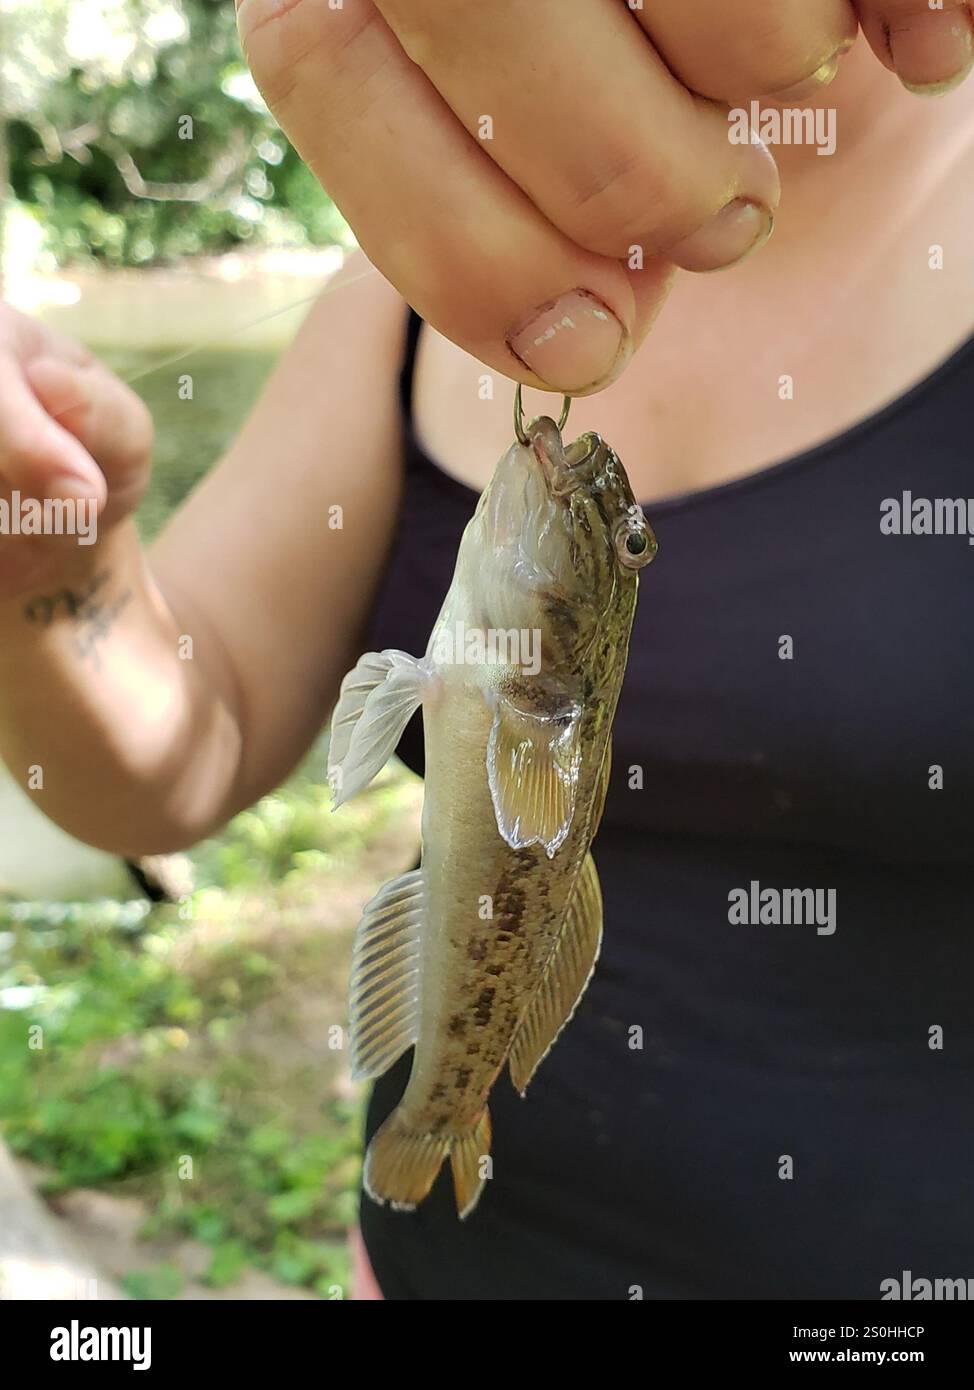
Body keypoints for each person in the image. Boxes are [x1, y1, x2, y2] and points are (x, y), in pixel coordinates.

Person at [2, 10, 974, 1298]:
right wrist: (49, 558)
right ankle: (447, 1112)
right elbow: (180, 749)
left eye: (616, 540)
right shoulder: (409, 284)